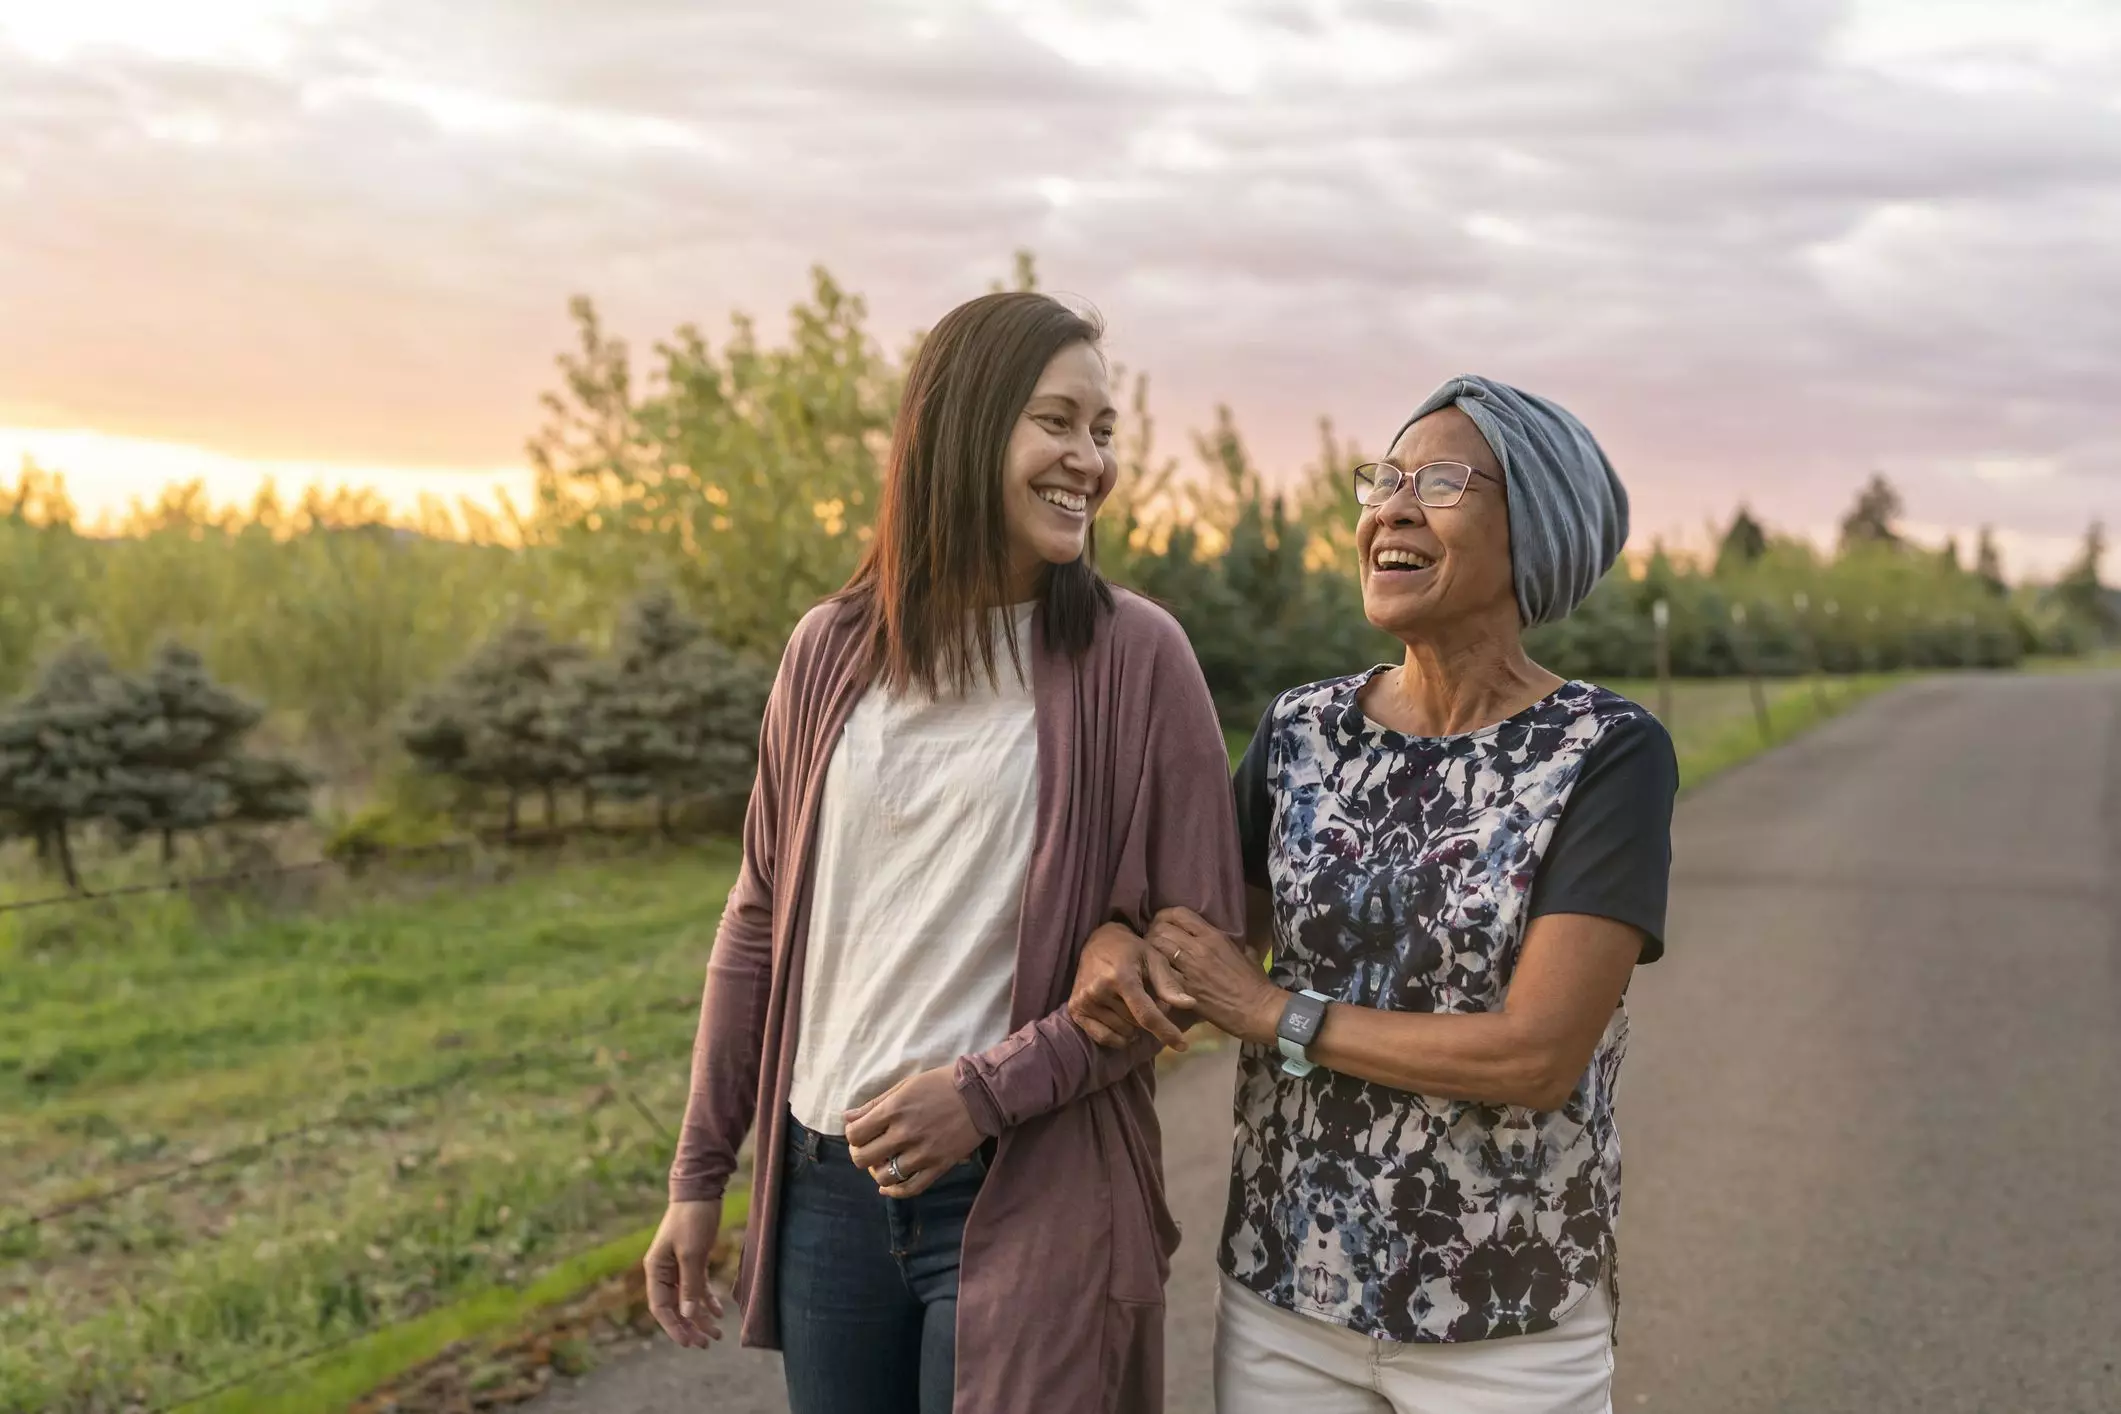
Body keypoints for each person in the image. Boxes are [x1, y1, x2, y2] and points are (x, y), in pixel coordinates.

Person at [643, 290, 1245, 1414]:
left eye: (1103, 431)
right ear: (963, 428)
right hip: (827, 1190)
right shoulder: (829, 651)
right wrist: (699, 1176)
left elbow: (1194, 956)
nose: (1090, 460)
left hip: (1030, 1180)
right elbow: (757, 921)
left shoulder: (1137, 658)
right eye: (1057, 422)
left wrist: (984, 1092)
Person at [1071, 375, 1677, 1414]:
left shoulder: (1605, 755)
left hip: (1510, 1321)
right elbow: (1201, 946)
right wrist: (1113, 945)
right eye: (1383, 478)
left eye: (1440, 481)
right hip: (1287, 1303)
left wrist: (1274, 1012)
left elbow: (1535, 1056)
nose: (1391, 506)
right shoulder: (1302, 731)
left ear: (1532, 529)